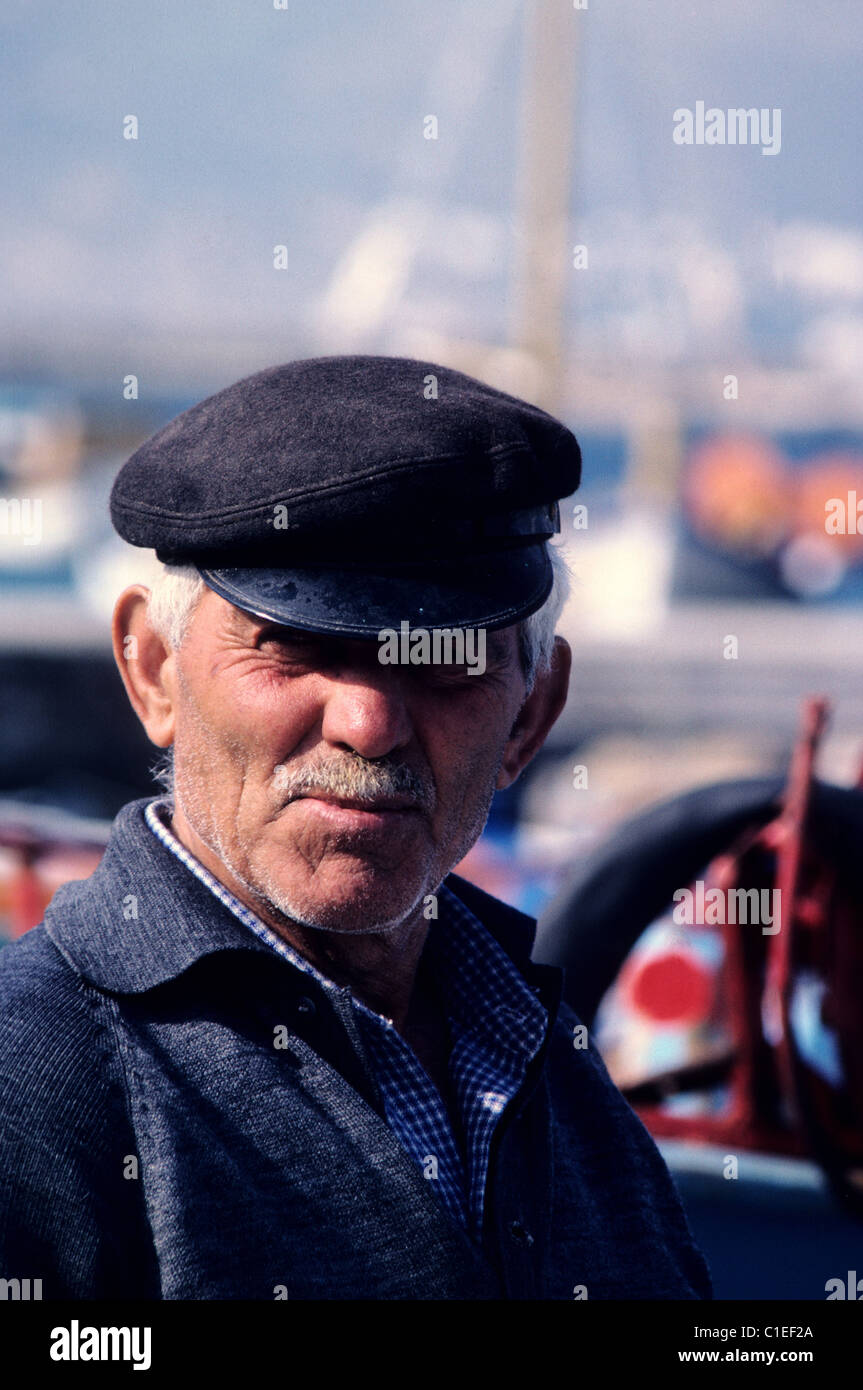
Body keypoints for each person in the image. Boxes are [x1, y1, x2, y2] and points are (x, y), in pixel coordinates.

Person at [0, 355, 711, 1300]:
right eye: (292, 645)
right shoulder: (31, 1084)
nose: (369, 724)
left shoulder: (543, 1058)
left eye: (443, 663)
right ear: (154, 670)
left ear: (529, 719)